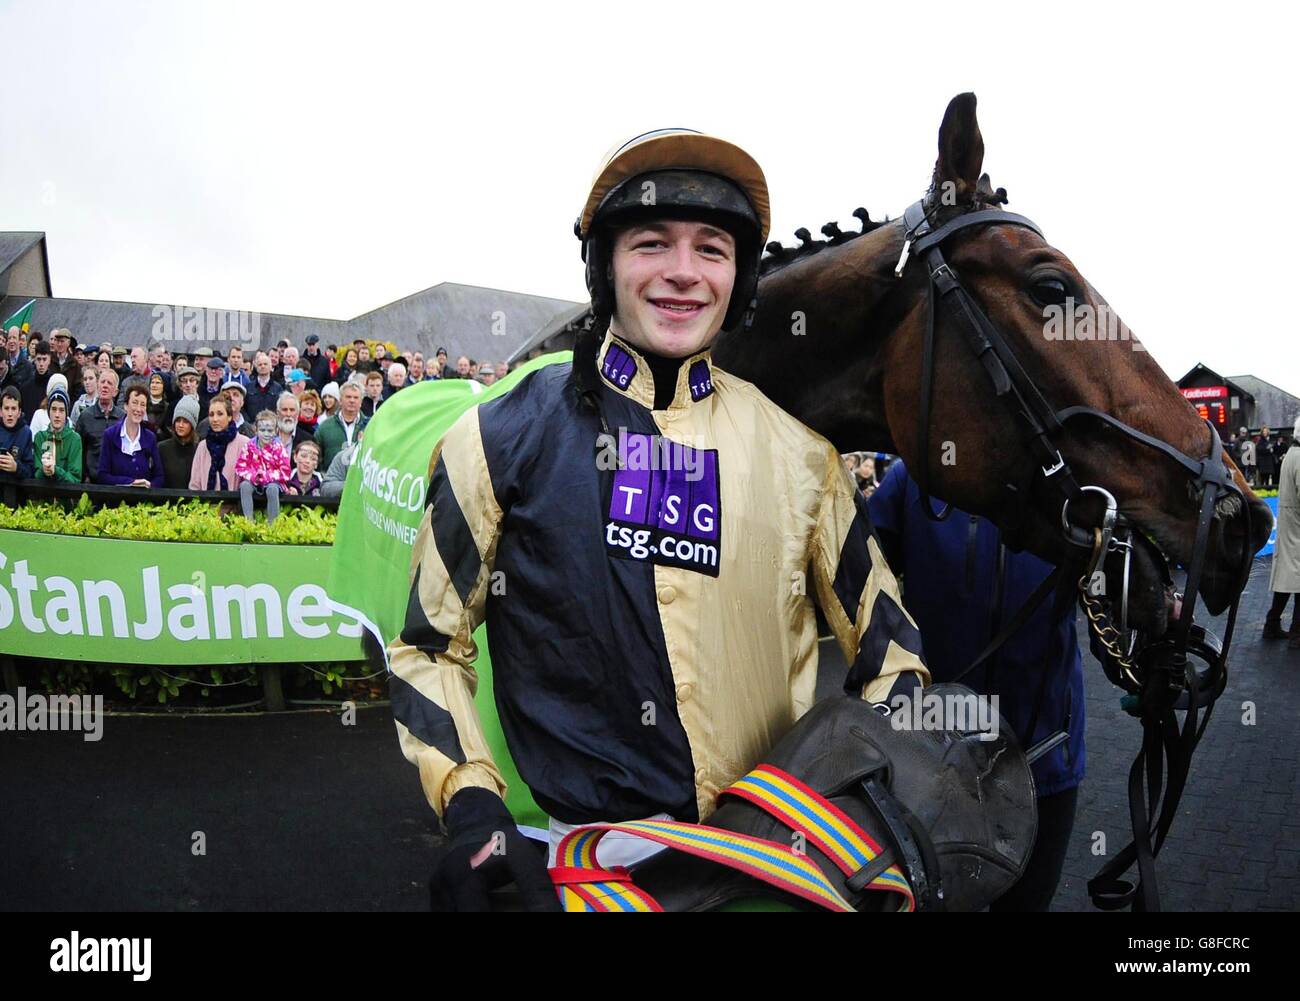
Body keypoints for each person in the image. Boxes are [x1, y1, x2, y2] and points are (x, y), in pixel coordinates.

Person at [388, 129, 928, 909]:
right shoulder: (496, 438)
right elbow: (428, 644)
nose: (683, 272)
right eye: (651, 243)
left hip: (775, 869)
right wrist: (473, 807)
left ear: (740, 280)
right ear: (604, 267)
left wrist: (874, 793)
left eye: (712, 248)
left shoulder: (806, 458)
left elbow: (894, 660)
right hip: (580, 873)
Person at [867, 459, 1084, 910]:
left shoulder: (1072, 479)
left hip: (1042, 759)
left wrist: (1151, 638)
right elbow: (857, 579)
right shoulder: (914, 477)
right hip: (931, 765)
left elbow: (1116, 601)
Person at [1264, 415, 1300, 648]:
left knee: (1288, 578)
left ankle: (1272, 624)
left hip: (1290, 523)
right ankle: (1297, 635)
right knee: (1297, 581)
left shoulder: (1291, 454)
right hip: (1297, 525)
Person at [97, 384, 164, 487]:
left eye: (142, 405)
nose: (138, 409)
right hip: (115, 500)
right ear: (126, 406)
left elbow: (159, 477)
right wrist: (130, 483)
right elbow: (102, 475)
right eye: (135, 403)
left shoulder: (150, 438)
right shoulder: (110, 435)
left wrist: (149, 485)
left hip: (143, 501)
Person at [235, 410, 291, 523]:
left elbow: (285, 472)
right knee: (245, 486)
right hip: (254, 481)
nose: (266, 434)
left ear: (276, 431)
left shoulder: (279, 448)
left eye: (270, 430)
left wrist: (266, 476)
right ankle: (248, 521)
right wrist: (253, 475)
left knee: (272, 489)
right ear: (256, 430)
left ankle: (273, 524)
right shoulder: (249, 446)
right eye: (262, 430)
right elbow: (240, 467)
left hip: (274, 482)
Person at [189, 393, 247, 491]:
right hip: (206, 505)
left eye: (220, 414)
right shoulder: (202, 446)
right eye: (211, 415)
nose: (215, 419)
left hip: (235, 505)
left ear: (229, 417)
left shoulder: (244, 444)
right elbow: (194, 485)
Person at [76, 368, 125, 482]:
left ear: (116, 391)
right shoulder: (85, 416)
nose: (105, 386)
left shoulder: (123, 418)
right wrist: (84, 476)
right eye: (102, 382)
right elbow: (79, 451)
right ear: (98, 385)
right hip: (91, 482)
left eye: (109, 383)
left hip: (116, 483)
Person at [34, 388, 83, 483]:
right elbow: (36, 474)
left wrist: (55, 470)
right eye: (54, 409)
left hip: (66, 497)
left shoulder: (74, 439)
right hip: (42, 496)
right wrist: (44, 470)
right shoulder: (40, 437)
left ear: (66, 413)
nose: (57, 415)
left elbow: (75, 479)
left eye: (61, 410)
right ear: (48, 412)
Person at [314, 381, 367, 470]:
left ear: (361, 402)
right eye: (348, 397)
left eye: (356, 397)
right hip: (333, 480)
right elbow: (316, 456)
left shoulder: (369, 426)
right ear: (340, 400)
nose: (352, 400)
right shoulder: (325, 427)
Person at [158, 397, 200, 489]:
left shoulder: (199, 450)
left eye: (185, 421)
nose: (180, 425)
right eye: (178, 420)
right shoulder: (162, 448)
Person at [0, 387, 35, 480]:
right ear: (0, 411)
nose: (10, 414)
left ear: (19, 412)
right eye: (6, 408)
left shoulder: (26, 433)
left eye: (14, 408)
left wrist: (16, 467)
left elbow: (31, 471)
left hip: (16, 491)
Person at [20, 341, 52, 420]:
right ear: (35, 360)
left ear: (49, 360)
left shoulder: (54, 386)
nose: (41, 364)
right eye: (39, 359)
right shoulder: (25, 387)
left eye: (44, 359)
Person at [245, 351, 283, 418]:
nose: (262, 366)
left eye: (265, 364)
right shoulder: (248, 388)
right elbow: (244, 409)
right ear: (256, 367)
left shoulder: (278, 388)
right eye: (260, 364)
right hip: (251, 426)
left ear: (271, 367)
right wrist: (249, 425)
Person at [145, 372, 171, 438]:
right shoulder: (143, 404)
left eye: (158, 383)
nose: (154, 385)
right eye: (152, 382)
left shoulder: (168, 408)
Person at [1256, 426, 1278, 491]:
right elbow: (1259, 449)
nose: (1265, 432)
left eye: (1266, 431)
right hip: (1263, 463)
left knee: (1268, 478)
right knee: (1262, 479)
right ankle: (1262, 491)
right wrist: (1268, 450)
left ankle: (1268, 491)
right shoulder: (1260, 441)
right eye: (1264, 431)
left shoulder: (1269, 440)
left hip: (1268, 463)